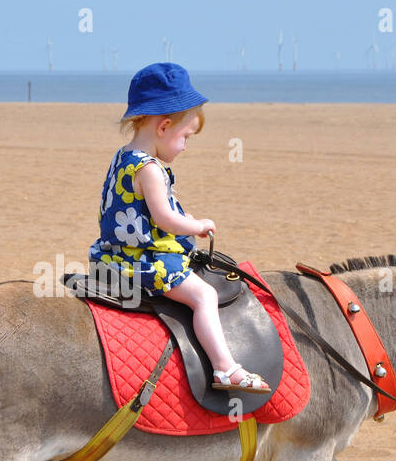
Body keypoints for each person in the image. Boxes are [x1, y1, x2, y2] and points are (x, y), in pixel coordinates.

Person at [88, 62, 271, 395]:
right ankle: (225, 368)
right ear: (164, 126)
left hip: (111, 254)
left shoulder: (123, 156)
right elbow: (164, 219)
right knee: (205, 296)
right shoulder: (149, 169)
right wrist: (198, 225)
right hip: (143, 260)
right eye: (185, 137)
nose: (185, 146)